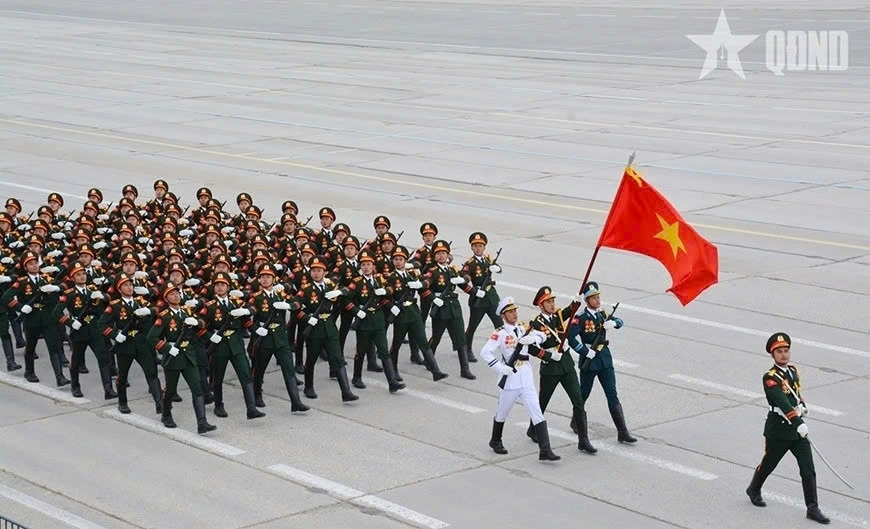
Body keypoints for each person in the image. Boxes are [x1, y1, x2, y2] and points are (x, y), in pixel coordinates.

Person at [746, 333, 830, 524]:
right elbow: (782, 402)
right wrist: (798, 421)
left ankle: (812, 508)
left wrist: (801, 405)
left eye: (786, 350)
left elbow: (794, 393)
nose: (784, 355)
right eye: (779, 352)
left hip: (797, 432)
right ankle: (753, 488)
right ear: (772, 355)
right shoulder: (769, 377)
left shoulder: (792, 371)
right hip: (780, 431)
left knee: (808, 467)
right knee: (769, 464)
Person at [481, 296, 560, 461]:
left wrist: (534, 338)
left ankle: (545, 449)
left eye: (515, 310)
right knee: (503, 412)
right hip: (510, 379)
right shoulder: (500, 333)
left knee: (536, 411)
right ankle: (495, 440)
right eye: (510, 312)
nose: (514, 314)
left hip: (526, 377)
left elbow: (543, 335)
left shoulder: (524, 327)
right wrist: (500, 368)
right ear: (503, 315)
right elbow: (485, 353)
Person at [525, 286, 597, 453]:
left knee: (578, 401)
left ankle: (583, 439)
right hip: (551, 367)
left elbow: (567, 312)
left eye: (552, 301)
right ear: (540, 305)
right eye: (548, 302)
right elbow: (530, 348)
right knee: (542, 401)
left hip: (566, 364)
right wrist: (548, 356)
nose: (552, 304)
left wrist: (576, 302)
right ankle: (532, 428)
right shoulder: (535, 324)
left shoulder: (556, 315)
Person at [146, 282, 216, 434]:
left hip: (189, 355)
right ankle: (166, 415)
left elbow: (202, 324)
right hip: (173, 356)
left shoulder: (187, 311)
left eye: (177, 293)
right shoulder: (163, 316)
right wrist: (167, 348)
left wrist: (197, 322)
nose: (176, 296)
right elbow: (151, 337)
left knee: (197, 389)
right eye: (172, 294)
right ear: (166, 298)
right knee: (170, 390)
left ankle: (202, 423)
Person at [571, 281, 636, 444]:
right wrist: (585, 352)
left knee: (612, 393)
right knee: (583, 395)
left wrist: (614, 323)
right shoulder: (581, 318)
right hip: (589, 361)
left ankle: (622, 431)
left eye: (598, 297)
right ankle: (575, 420)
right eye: (593, 298)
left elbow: (620, 322)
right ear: (587, 300)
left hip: (604, 360)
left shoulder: (603, 314)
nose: (597, 300)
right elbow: (571, 337)